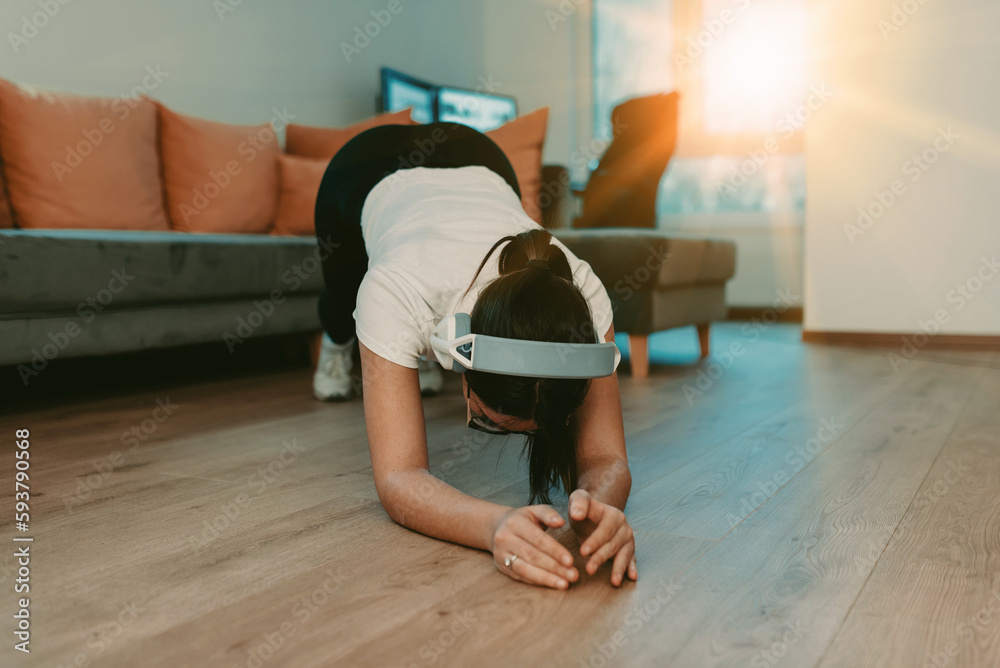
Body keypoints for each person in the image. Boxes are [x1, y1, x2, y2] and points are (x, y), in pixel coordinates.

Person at [312, 121, 636, 590]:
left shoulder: (582, 292)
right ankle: (342, 341)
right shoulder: (395, 288)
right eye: (489, 420)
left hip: (480, 153)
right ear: (462, 368)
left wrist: (600, 508)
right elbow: (399, 476)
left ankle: (400, 359)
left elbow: (606, 455)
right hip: (361, 166)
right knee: (343, 306)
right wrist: (492, 525)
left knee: (391, 339)